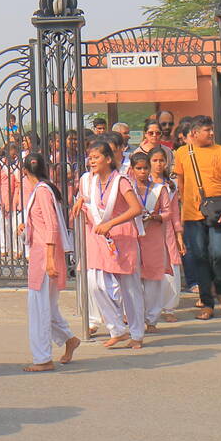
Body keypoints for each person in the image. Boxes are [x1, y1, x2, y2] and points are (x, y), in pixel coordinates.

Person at [73, 139, 147, 349]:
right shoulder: (91, 181)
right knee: (95, 283)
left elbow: (136, 209)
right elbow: (89, 200)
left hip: (123, 236)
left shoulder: (121, 181)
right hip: (100, 239)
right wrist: (80, 201)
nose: (92, 161)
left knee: (130, 289)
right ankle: (117, 328)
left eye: (96, 157)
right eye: (90, 157)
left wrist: (111, 223)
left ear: (108, 159)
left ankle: (137, 334)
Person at [172, 116, 221, 318]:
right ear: (193, 133)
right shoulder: (183, 153)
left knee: (219, 252)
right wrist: (182, 215)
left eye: (211, 129)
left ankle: (220, 290)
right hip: (192, 214)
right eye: (206, 130)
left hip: (219, 211)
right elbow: (180, 185)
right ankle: (207, 302)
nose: (211, 133)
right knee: (199, 256)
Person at [19, 152, 79, 371]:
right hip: (43, 253)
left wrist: (51, 260)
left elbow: (52, 226)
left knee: (39, 308)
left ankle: (43, 358)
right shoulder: (43, 190)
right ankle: (69, 339)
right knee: (47, 306)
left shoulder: (42, 192)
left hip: (45, 255)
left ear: (24, 171)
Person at [131, 149, 174, 333]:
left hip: (154, 237)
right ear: (132, 170)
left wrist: (155, 217)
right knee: (132, 280)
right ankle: (134, 317)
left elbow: (168, 212)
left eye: (145, 168)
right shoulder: (128, 189)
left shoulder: (159, 189)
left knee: (153, 281)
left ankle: (152, 319)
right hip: (133, 237)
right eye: (139, 168)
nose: (143, 172)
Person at [149, 147, 184, 323]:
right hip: (149, 230)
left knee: (172, 266)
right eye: (154, 160)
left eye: (161, 160)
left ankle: (169, 307)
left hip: (167, 229)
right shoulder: (143, 184)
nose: (158, 164)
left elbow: (175, 212)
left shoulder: (171, 185)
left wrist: (179, 235)